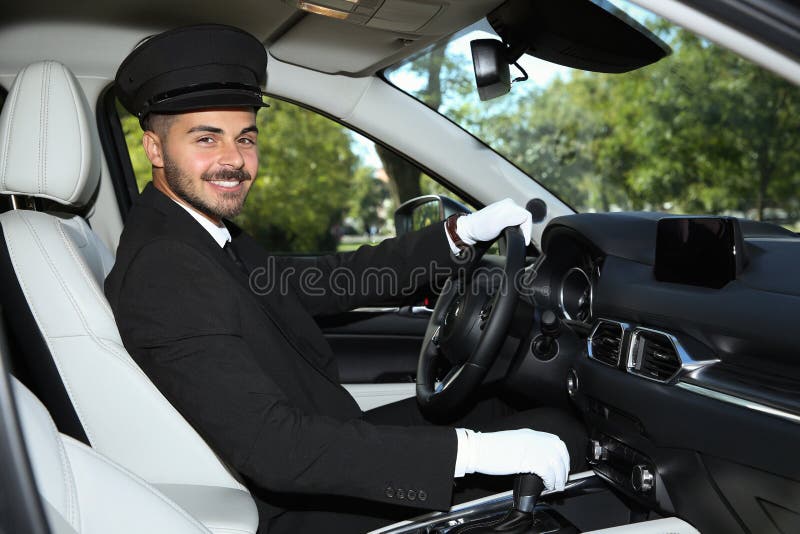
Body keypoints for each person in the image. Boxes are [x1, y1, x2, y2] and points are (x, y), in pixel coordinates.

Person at [104, 24, 587, 533]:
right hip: (301, 508)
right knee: (561, 435)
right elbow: (276, 449)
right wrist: (469, 454)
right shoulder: (164, 268)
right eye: (206, 138)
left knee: (506, 404)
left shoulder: (197, 234)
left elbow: (332, 279)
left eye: (245, 138)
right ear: (154, 148)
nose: (234, 160)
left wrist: (458, 234)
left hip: (321, 444)